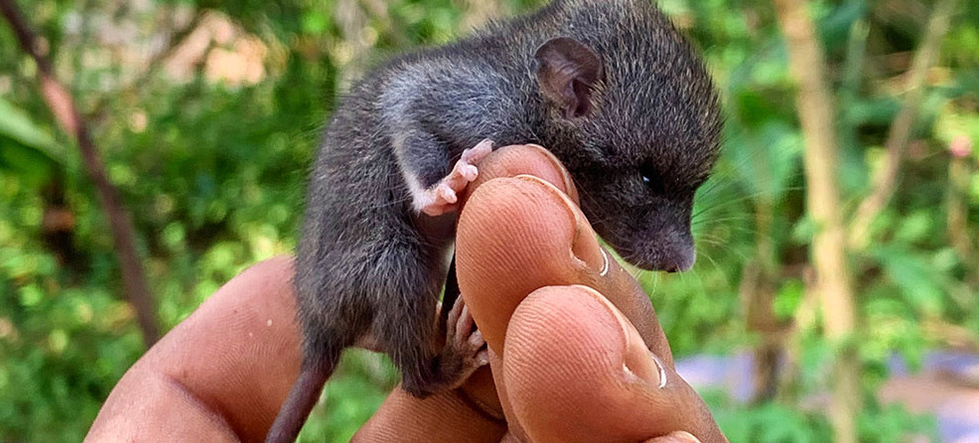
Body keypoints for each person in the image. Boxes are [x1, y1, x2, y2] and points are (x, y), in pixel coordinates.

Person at [86, 145, 725, 442]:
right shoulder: (484, 97)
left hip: (372, 268)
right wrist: (430, 186)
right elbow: (407, 105)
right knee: (406, 263)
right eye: (648, 179)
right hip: (368, 241)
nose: (679, 257)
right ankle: (427, 366)